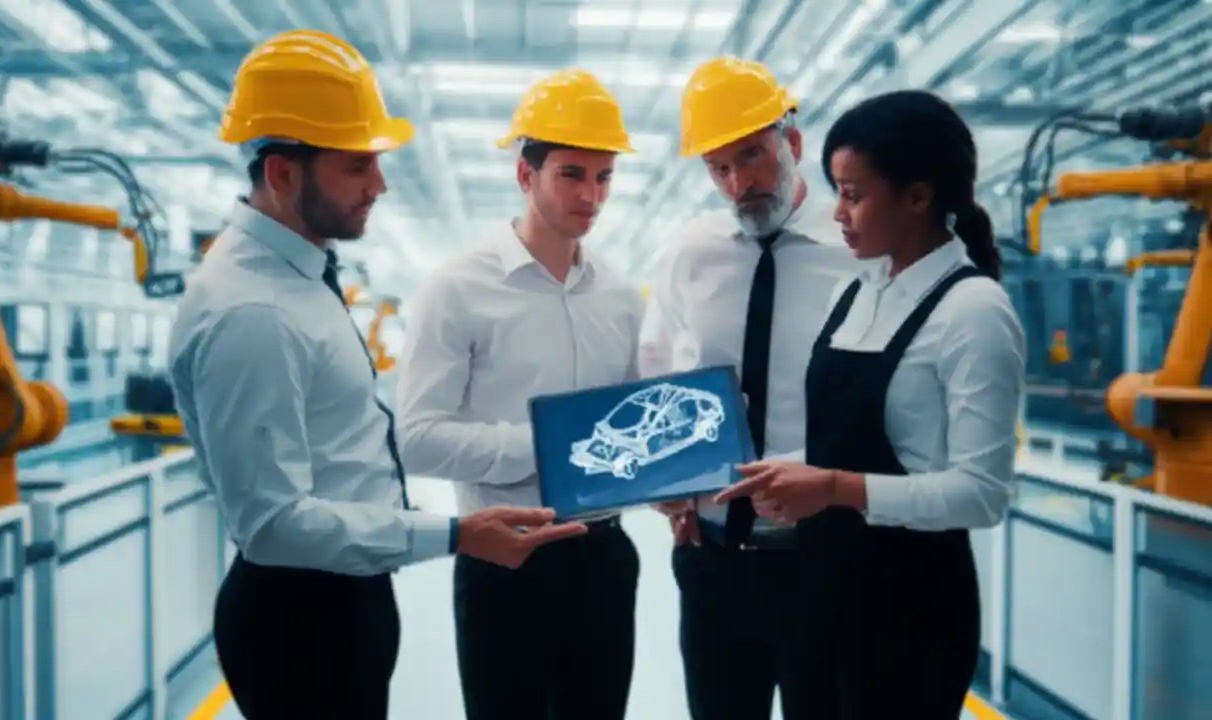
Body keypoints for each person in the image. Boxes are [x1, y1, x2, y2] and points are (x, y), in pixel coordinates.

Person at [167, 31, 587, 719]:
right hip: (302, 619)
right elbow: (273, 523)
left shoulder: (297, 276)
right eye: (357, 166)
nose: (380, 186)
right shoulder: (254, 312)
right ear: (282, 174)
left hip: (340, 596)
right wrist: (456, 534)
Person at [716, 89, 1026, 718]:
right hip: (821, 597)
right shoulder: (857, 293)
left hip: (910, 615)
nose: (837, 213)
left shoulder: (972, 311)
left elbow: (981, 494)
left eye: (853, 195)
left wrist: (832, 487)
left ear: (918, 196)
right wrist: (781, 471)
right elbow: (845, 443)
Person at [396, 69, 645, 720]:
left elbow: (632, 427)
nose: (591, 195)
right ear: (524, 174)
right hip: (505, 560)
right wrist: (551, 445)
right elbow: (416, 438)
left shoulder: (621, 297)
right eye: (571, 174)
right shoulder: (457, 290)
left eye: (604, 177)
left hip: (604, 557)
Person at [639, 56, 865, 720]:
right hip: (715, 562)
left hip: (828, 560)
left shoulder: (856, 249)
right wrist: (663, 481)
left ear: (791, 142)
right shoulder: (689, 254)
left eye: (752, 157)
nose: (740, 184)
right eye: (719, 169)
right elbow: (657, 378)